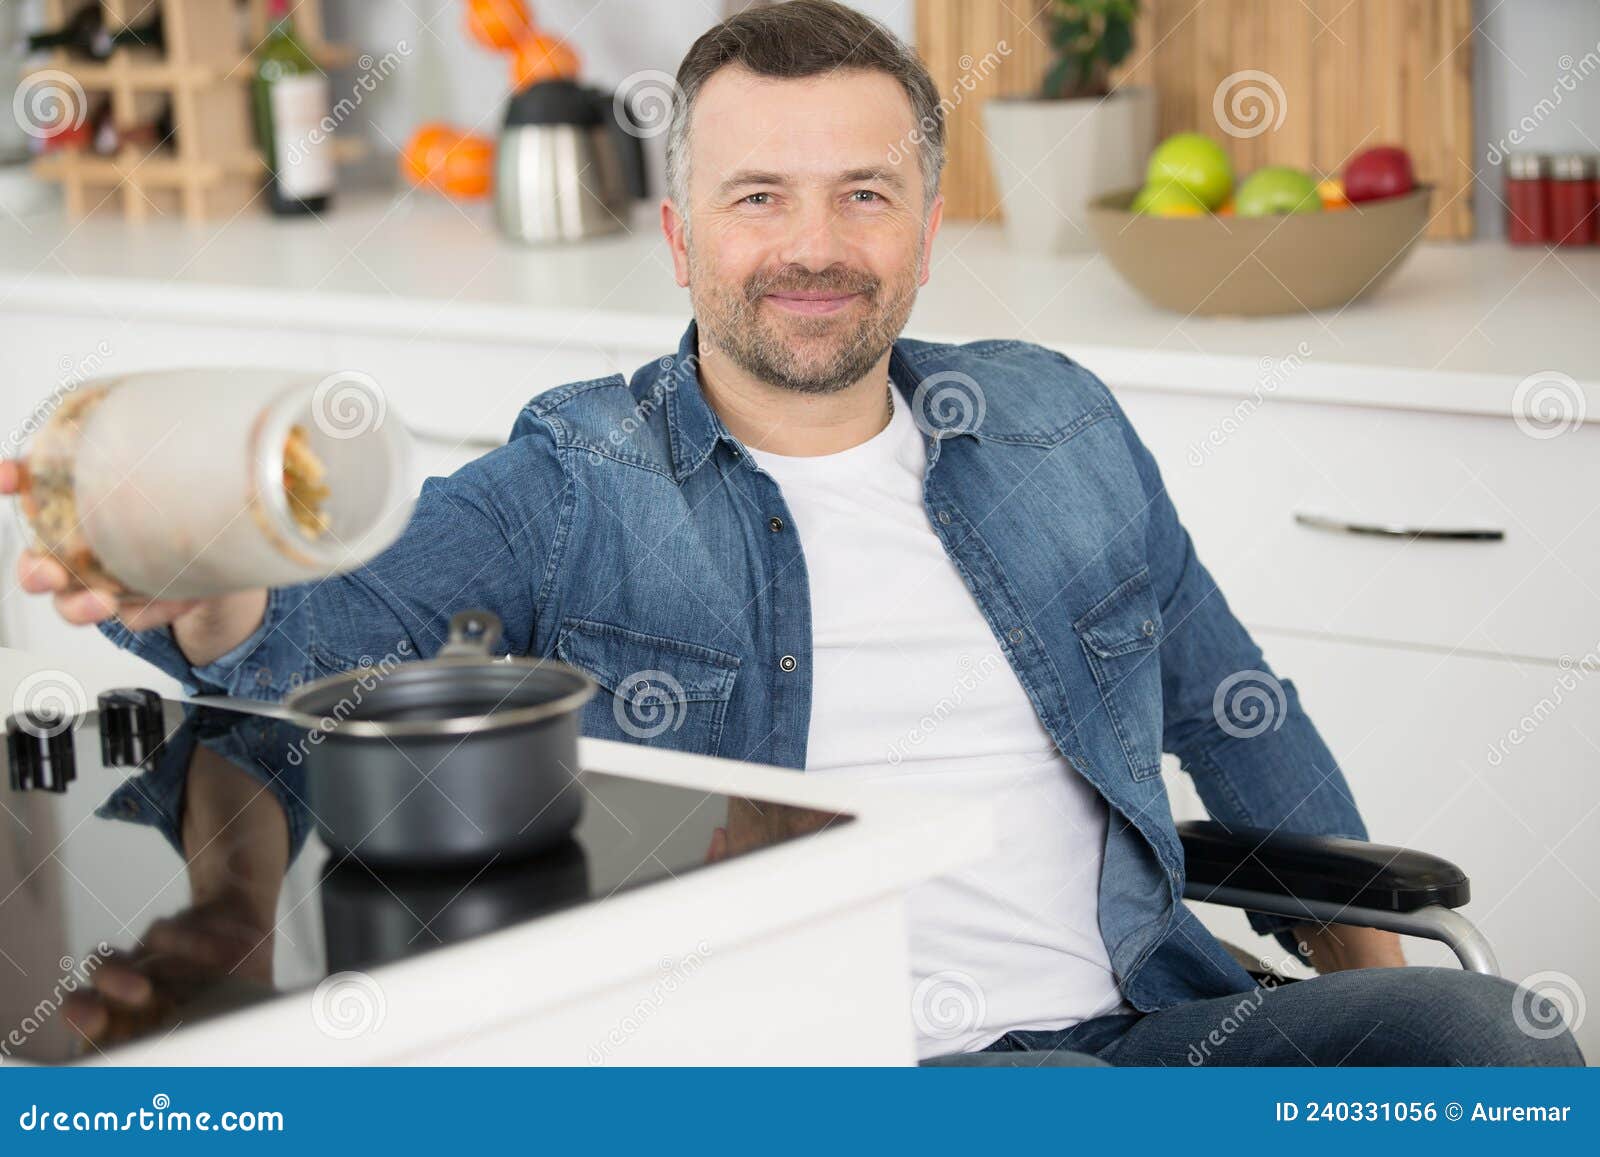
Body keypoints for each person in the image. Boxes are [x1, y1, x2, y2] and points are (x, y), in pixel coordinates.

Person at [3, 0, 1580, 1067]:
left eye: (862, 196)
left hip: (1153, 1024)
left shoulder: (1056, 420)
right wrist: (197, 593)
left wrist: (1377, 986)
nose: (815, 249)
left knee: (1493, 1042)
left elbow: (1241, 719)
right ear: (683, 238)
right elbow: (330, 645)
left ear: (925, 227)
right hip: (841, 1068)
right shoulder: (580, 468)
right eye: (759, 199)